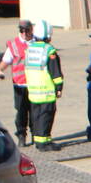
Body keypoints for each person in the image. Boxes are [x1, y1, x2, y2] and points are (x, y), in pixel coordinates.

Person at [24, 20, 64, 151]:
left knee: (35, 115)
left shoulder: (30, 49)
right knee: (46, 115)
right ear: (48, 35)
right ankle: (44, 143)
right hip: (46, 90)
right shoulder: (49, 50)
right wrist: (59, 87)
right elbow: (55, 72)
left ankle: (38, 140)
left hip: (33, 91)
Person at [0, 18, 34, 147]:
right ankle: (21, 136)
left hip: (35, 84)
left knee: (35, 111)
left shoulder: (38, 43)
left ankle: (37, 135)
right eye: (21, 30)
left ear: (31, 30)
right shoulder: (14, 44)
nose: (24, 33)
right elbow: (6, 61)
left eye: (26, 30)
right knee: (21, 112)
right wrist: (0, 70)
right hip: (20, 85)